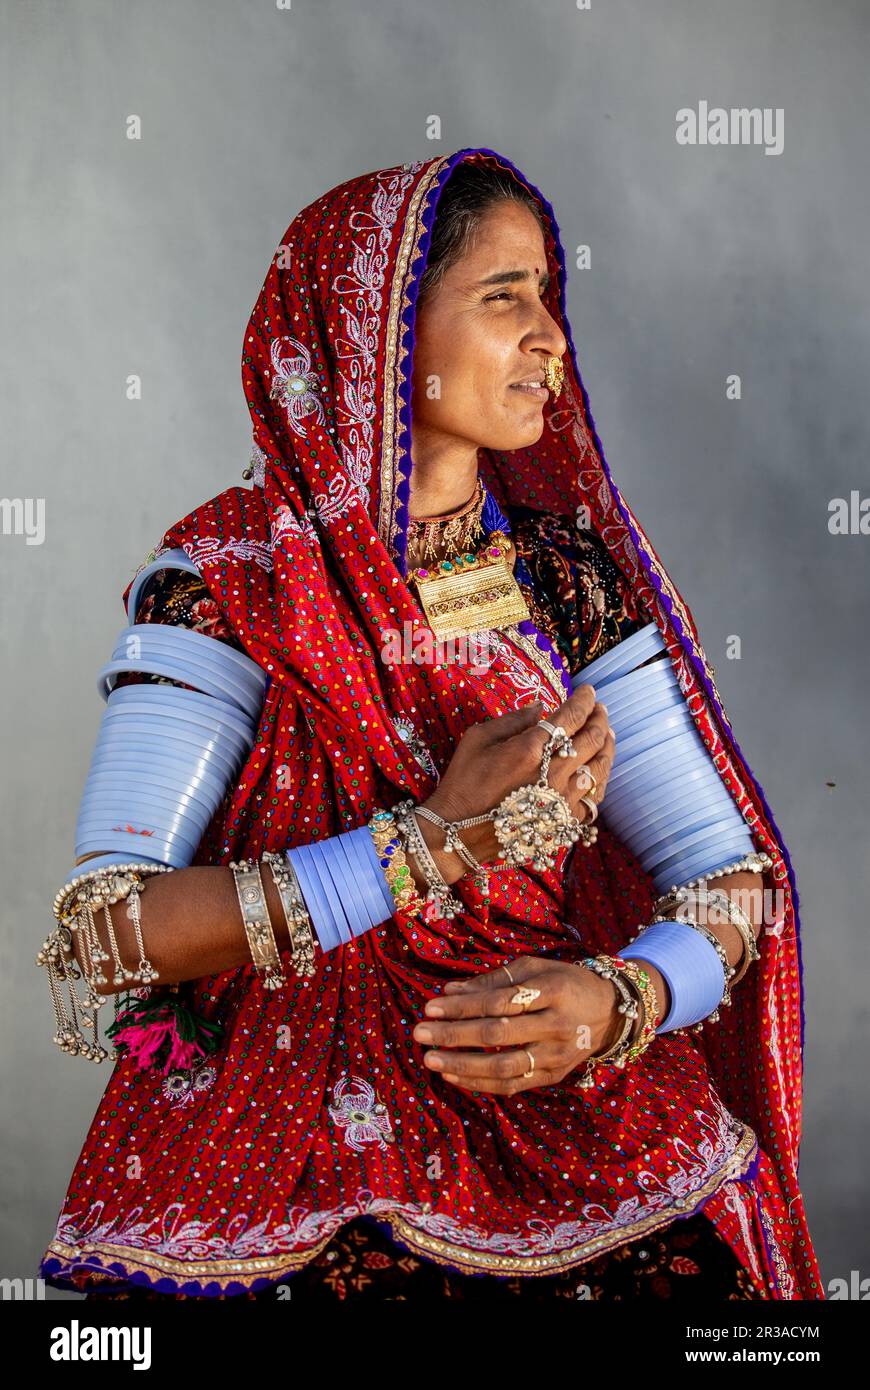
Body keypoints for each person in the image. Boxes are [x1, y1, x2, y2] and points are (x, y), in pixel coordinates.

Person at [36, 148, 823, 1301]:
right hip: (278, 1131)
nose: (551, 335)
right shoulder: (235, 579)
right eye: (506, 297)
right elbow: (112, 933)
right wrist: (434, 843)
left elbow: (727, 878)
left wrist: (621, 998)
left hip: (550, 1105)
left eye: (551, 295)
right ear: (379, 330)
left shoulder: (566, 580)